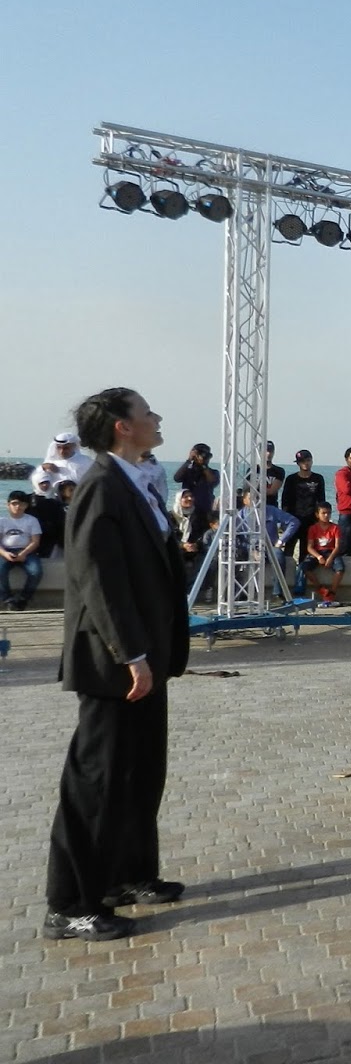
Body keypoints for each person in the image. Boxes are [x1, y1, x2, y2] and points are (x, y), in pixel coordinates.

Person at [44, 388, 189, 942]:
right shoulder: (100, 487)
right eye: (147, 412)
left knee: (140, 771)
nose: (157, 417)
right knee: (97, 781)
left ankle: (128, 875)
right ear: (122, 426)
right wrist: (130, 654)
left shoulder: (136, 481)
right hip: (115, 662)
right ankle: (71, 903)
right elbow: (97, 580)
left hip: (147, 654)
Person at [280, 450, 325, 569]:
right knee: (288, 550)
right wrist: (285, 519)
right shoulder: (291, 479)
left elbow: (321, 501)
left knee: (306, 552)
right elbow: (285, 501)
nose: (305, 463)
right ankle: (286, 575)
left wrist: (320, 520)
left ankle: (302, 576)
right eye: (302, 461)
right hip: (293, 520)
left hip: (310, 521)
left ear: (312, 461)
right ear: (298, 463)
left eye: (308, 460)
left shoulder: (318, 478)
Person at [1, 490, 44, 610]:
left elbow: (35, 541)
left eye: (21, 504)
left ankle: (24, 598)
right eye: (14, 503)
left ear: (26, 506)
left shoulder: (32, 520)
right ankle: (7, 599)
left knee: (36, 572)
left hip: (27, 551)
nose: (17, 506)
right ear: (8, 505)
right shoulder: (2, 521)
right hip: (6, 551)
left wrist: (23, 553)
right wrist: (5, 553)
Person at [303, 503, 344, 606]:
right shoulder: (313, 528)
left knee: (340, 569)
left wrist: (330, 558)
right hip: (318, 552)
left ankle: (332, 593)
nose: (326, 515)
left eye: (328, 513)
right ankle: (321, 589)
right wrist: (319, 556)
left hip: (331, 552)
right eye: (323, 513)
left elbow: (337, 546)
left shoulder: (335, 528)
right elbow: (309, 547)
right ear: (317, 514)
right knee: (305, 567)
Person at [172, 443, 218, 530]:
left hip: (204, 510)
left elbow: (213, 481)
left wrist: (204, 465)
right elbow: (177, 478)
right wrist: (189, 460)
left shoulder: (212, 472)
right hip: (188, 510)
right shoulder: (188, 471)